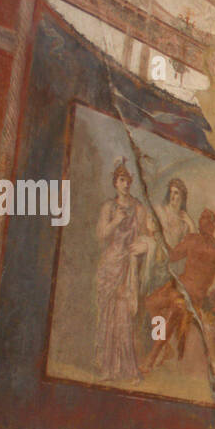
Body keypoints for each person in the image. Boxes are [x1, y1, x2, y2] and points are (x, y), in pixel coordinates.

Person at [142, 208, 215, 373]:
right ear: (199, 223)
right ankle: (164, 344)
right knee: (150, 303)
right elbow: (173, 256)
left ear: (214, 225)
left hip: (194, 295)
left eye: (208, 219)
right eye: (202, 218)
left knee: (175, 308)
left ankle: (152, 357)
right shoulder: (191, 240)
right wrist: (159, 236)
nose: (204, 221)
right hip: (177, 286)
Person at [94, 158, 154, 382]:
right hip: (110, 265)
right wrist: (114, 221)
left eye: (128, 180)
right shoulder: (109, 207)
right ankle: (108, 368)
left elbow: (147, 235)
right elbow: (101, 235)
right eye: (122, 180)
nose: (126, 184)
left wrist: (145, 245)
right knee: (108, 316)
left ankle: (129, 369)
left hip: (128, 266)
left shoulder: (138, 208)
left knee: (124, 316)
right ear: (115, 183)